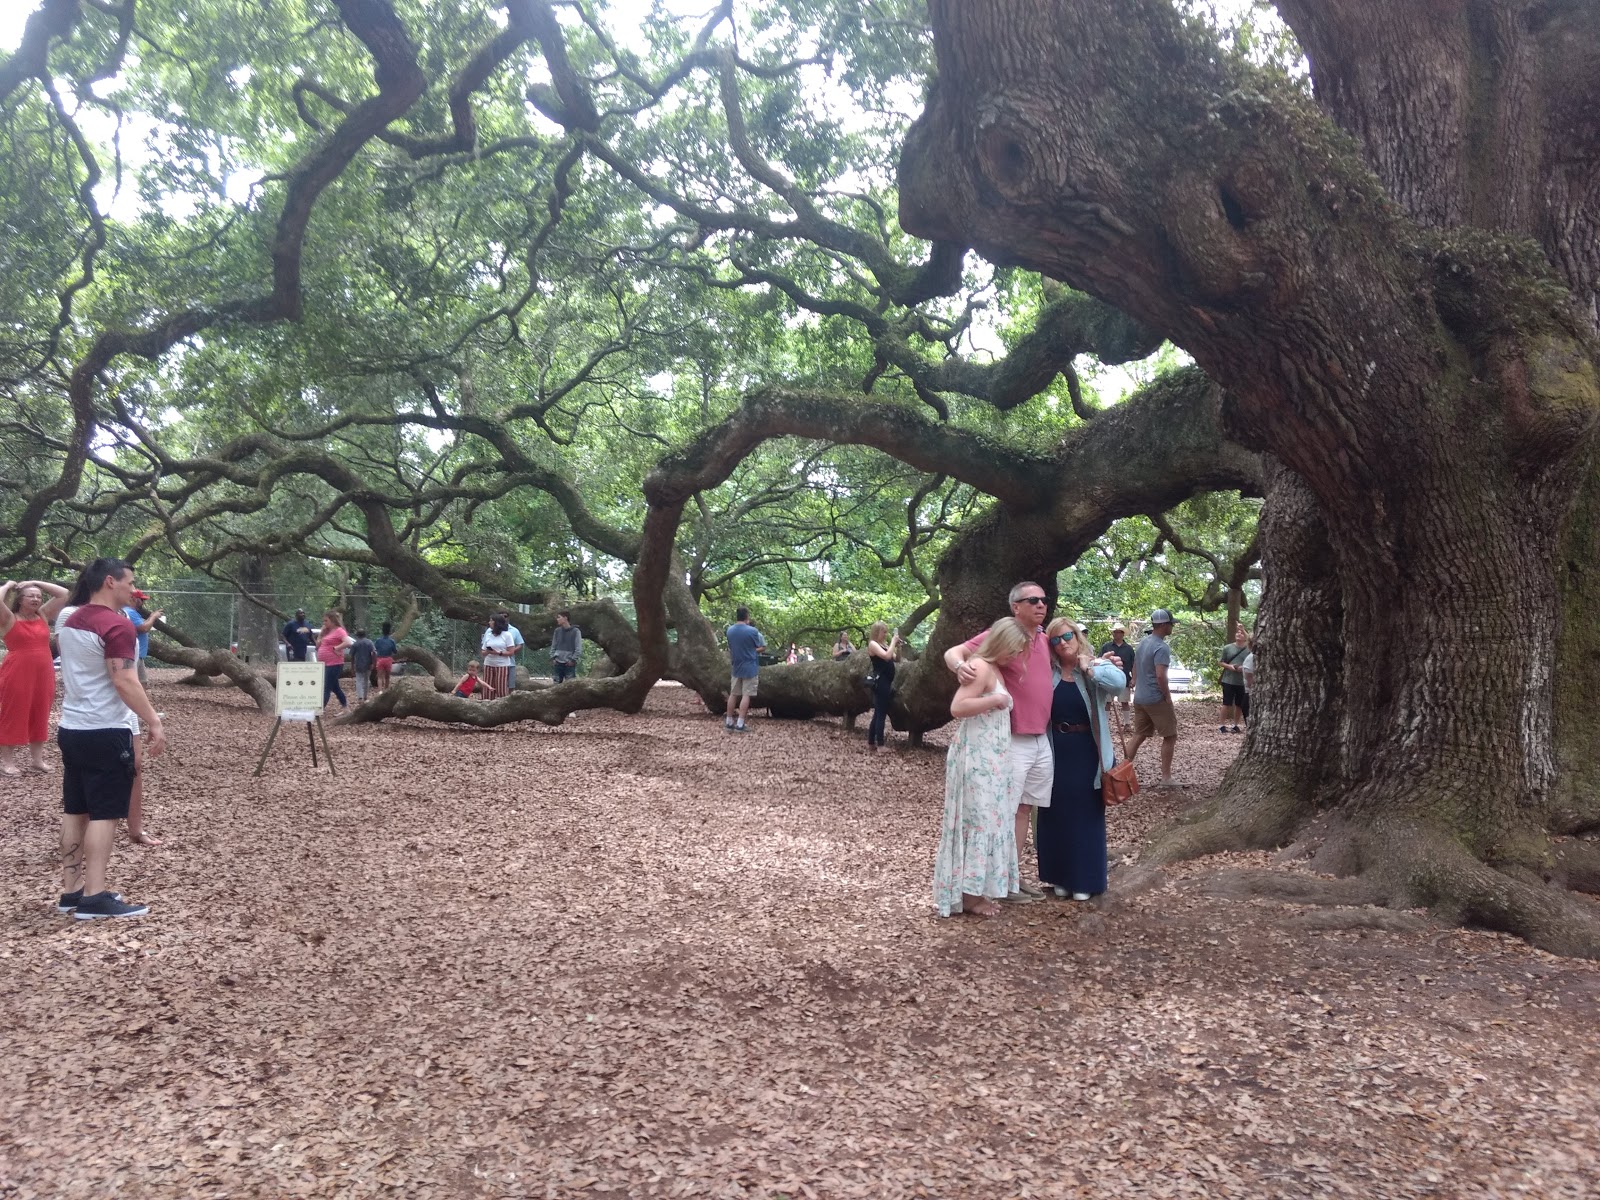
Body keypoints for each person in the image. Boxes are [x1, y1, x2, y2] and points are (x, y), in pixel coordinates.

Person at [54, 557, 166, 919]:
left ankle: (71, 892)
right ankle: (95, 896)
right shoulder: (117, 627)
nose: (133, 589)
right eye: (128, 582)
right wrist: (153, 721)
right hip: (105, 730)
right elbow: (124, 681)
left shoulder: (70, 620)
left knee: (75, 810)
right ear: (108, 582)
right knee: (105, 814)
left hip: (72, 729)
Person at [944, 580, 1056, 901]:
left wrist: (1103, 662)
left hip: (1040, 738)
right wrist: (960, 666)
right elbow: (955, 652)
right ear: (1015, 607)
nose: (1040, 604)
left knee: (1023, 808)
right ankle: (993, 882)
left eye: (1043, 599)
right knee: (1003, 810)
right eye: (1031, 600)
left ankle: (1011, 876)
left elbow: (1075, 655)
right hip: (1012, 739)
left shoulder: (1045, 640)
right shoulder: (1002, 635)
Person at [933, 618, 1028, 918]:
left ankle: (975, 889)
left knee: (989, 820)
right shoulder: (982, 667)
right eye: (1013, 649)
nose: (1016, 656)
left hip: (992, 756)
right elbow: (958, 707)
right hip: (977, 757)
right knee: (979, 822)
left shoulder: (993, 668)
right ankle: (970, 896)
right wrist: (997, 699)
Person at [1039, 619, 1127, 900]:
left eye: (1067, 636)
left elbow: (1119, 684)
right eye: (1055, 639)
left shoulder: (1094, 665)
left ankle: (1085, 879)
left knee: (1085, 814)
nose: (1062, 642)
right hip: (1054, 749)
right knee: (1055, 813)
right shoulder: (1048, 671)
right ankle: (1059, 877)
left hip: (1088, 750)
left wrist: (1089, 666)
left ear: (1077, 637)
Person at [0, 579, 69, 775]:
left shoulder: (43, 615)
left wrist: (34, 582)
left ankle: (37, 760)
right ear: (20, 600)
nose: (36, 599)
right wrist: (6, 587)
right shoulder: (8, 618)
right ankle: (7, 763)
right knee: (14, 714)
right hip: (17, 673)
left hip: (43, 673)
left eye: (38, 596)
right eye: (31, 595)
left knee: (40, 713)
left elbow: (63, 594)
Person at [1126, 607, 1179, 788]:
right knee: (1170, 736)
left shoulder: (1143, 643)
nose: (1172, 627)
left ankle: (1121, 773)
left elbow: (1134, 665)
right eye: (1171, 624)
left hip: (1140, 698)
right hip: (1156, 698)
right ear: (1164, 625)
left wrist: (1135, 680)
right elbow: (1160, 676)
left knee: (1139, 734)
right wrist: (1167, 696)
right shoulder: (1161, 647)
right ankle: (1166, 778)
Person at [724, 606, 765, 732]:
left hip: (736, 664)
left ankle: (729, 721)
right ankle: (740, 723)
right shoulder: (752, 631)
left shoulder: (730, 630)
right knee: (746, 694)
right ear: (747, 616)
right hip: (749, 666)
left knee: (733, 693)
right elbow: (758, 646)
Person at [865, 621, 901, 753]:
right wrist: (892, 642)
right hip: (880, 682)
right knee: (881, 713)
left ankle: (871, 742)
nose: (885, 634)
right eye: (883, 631)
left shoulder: (884, 645)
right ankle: (880, 744)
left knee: (878, 712)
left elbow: (897, 659)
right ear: (876, 632)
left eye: (886, 631)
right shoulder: (873, 644)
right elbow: (886, 657)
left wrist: (898, 646)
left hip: (887, 681)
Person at [122, 589, 164, 687]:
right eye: (141, 599)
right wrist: (153, 617)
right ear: (134, 599)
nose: (143, 602)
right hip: (134, 654)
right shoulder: (129, 612)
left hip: (139, 654)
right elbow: (144, 628)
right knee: (134, 684)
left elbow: (142, 625)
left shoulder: (132, 612)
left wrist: (151, 616)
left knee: (142, 682)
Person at [316, 610, 354, 710]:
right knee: (335, 687)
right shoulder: (326, 632)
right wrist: (321, 634)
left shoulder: (339, 631)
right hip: (324, 663)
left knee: (327, 686)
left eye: (326, 621)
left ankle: (319, 708)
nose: (324, 623)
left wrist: (336, 648)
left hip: (334, 663)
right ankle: (345, 707)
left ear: (332, 620)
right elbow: (318, 645)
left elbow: (348, 642)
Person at [480, 611, 521, 699]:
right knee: (488, 686)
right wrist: (488, 651)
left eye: (491, 621)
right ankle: (487, 701)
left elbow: (511, 652)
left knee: (501, 687)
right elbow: (483, 652)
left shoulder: (507, 635)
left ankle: (502, 703)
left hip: (502, 665)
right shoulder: (488, 634)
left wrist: (499, 653)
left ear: (496, 622)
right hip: (488, 663)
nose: (489, 622)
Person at [1218, 626, 1251, 733]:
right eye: (1237, 632)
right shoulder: (1227, 648)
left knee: (1239, 704)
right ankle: (1222, 725)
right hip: (1228, 679)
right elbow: (1221, 662)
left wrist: (1242, 668)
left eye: (1241, 633)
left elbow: (1252, 641)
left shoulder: (1248, 649)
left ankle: (1235, 725)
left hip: (1242, 681)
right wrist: (1230, 667)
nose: (1239, 634)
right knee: (1226, 703)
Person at [1098, 622, 1135, 709]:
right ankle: (1106, 721)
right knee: (1107, 702)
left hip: (1124, 679)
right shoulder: (1106, 647)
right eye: (1115, 632)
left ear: (1123, 634)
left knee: (1124, 702)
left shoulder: (1129, 649)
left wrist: (1134, 679)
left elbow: (1134, 665)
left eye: (1119, 632)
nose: (1117, 634)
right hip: (1108, 679)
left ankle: (1126, 722)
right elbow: (1099, 662)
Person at [550, 610, 582, 683]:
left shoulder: (576, 631)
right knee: (556, 686)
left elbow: (578, 648)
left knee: (570, 686)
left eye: (559, 617)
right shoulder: (557, 631)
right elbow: (553, 646)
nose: (557, 619)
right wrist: (553, 658)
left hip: (569, 664)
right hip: (558, 663)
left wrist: (573, 659)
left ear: (565, 618)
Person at [350, 628, 377, 702]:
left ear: (357, 635)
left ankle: (360, 697)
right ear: (365, 634)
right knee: (366, 680)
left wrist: (352, 667)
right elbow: (374, 653)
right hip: (368, 664)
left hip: (358, 665)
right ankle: (365, 696)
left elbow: (352, 656)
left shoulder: (355, 644)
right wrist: (373, 663)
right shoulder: (369, 642)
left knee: (359, 680)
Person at [373, 621, 398, 690]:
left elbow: (375, 649)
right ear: (389, 631)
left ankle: (380, 691)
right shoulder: (392, 641)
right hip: (388, 659)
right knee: (387, 677)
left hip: (380, 659)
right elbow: (395, 651)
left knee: (380, 677)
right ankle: (386, 690)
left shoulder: (378, 641)